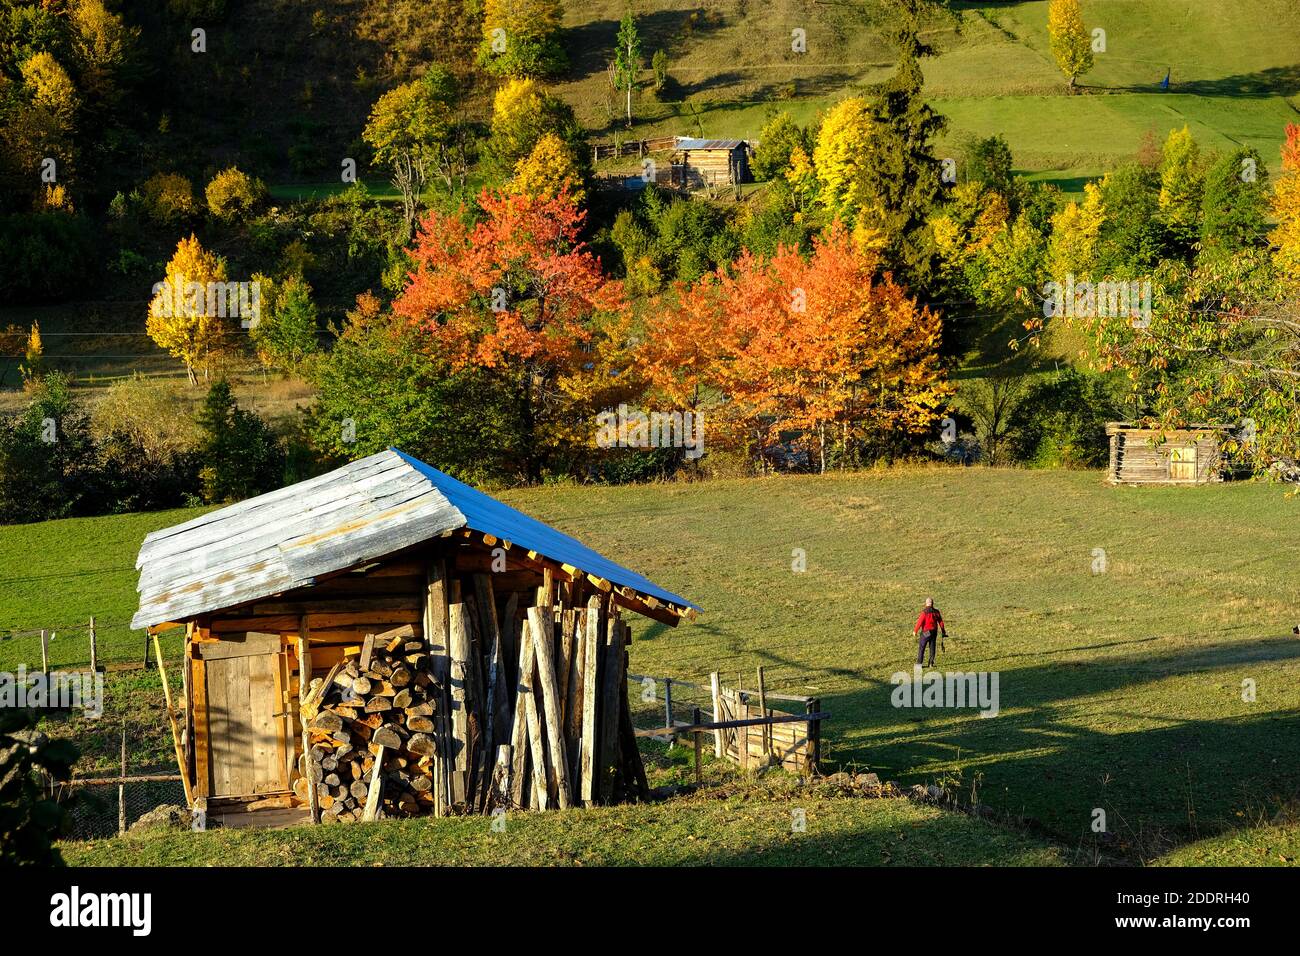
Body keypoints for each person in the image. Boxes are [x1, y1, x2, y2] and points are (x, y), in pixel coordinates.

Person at [913, 597, 947, 667]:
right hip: (934, 632)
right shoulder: (936, 612)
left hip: (926, 632)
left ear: (926, 603)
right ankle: (931, 663)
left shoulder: (924, 612)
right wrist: (943, 631)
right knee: (932, 647)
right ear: (932, 603)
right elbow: (941, 622)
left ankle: (919, 664)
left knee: (922, 647)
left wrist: (915, 631)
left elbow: (920, 622)